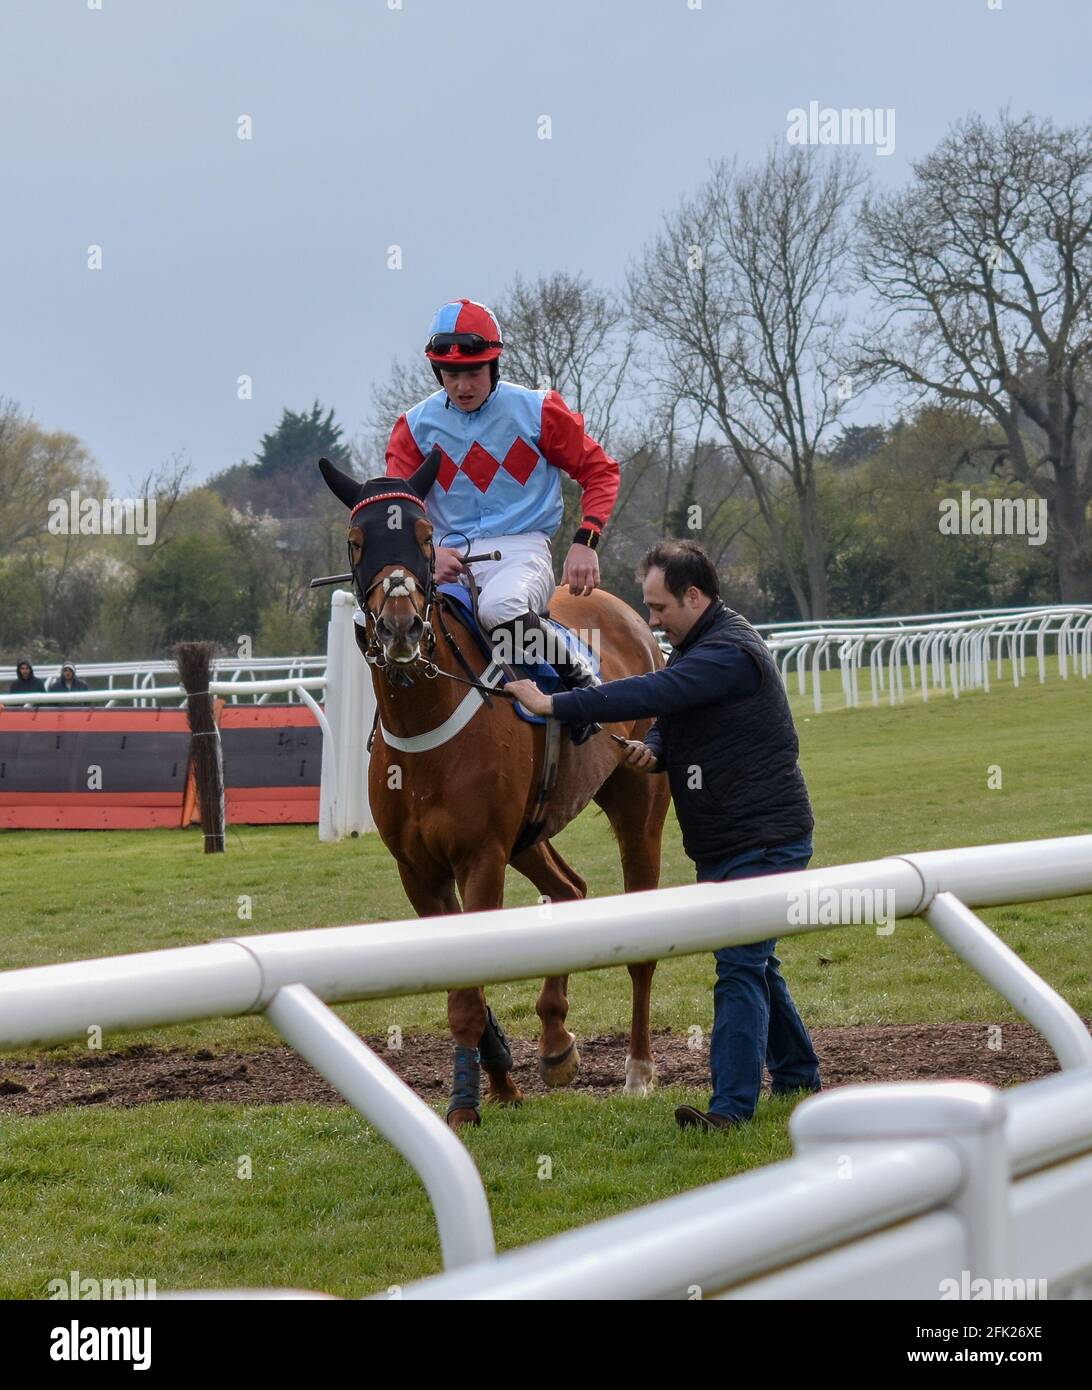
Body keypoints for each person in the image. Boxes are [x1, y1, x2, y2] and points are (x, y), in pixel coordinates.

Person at [506, 540, 821, 1131]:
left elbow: (650, 694)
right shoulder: (699, 647)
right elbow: (671, 720)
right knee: (756, 962)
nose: (651, 621)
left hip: (765, 839)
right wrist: (652, 752)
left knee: (739, 966)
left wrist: (553, 703)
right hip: (727, 839)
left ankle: (729, 1113)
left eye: (658, 608)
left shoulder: (728, 653)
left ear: (694, 596)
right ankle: (799, 1073)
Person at [384, 298, 619, 692]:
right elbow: (398, 509)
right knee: (377, 617)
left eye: (473, 372)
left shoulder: (538, 410)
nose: (462, 386)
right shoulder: (413, 426)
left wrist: (586, 542)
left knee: (500, 608)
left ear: (493, 364)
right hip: (444, 558)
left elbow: (600, 470)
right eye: (450, 373)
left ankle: (581, 681)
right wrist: (426, 554)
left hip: (520, 549)